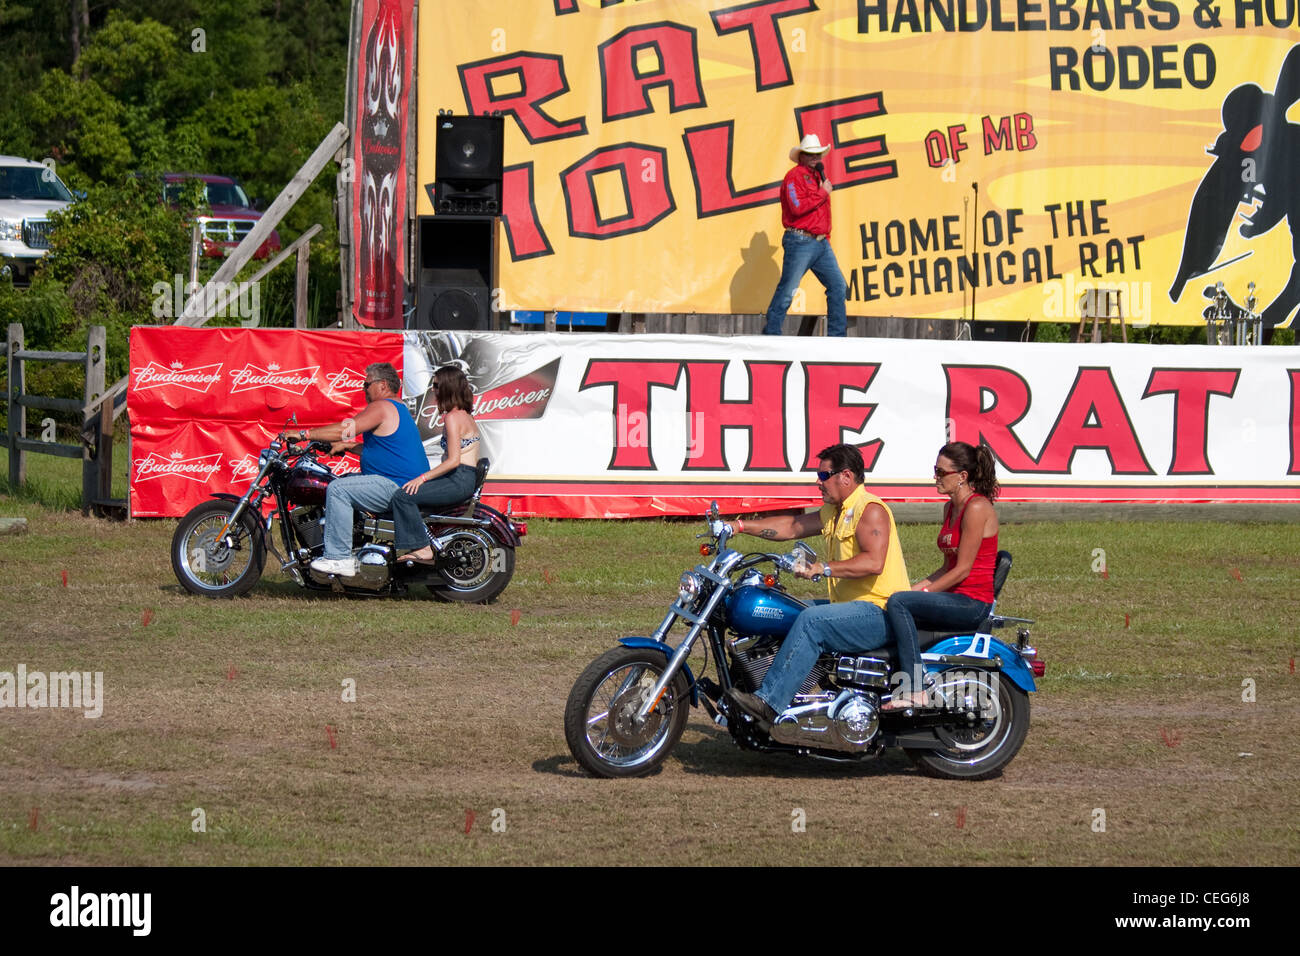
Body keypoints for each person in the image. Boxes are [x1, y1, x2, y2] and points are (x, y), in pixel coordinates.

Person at [725, 443, 910, 723]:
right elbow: (791, 527)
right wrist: (739, 526)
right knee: (787, 611)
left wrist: (823, 568)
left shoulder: (869, 509)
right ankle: (770, 691)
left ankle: (770, 702)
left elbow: (874, 562)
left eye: (824, 476)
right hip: (851, 607)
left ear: (845, 476)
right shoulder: (835, 512)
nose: (818, 482)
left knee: (811, 621)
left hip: (879, 611)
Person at [883, 441, 1000, 711]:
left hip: (972, 602)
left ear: (962, 476)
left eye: (941, 472)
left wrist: (918, 595)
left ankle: (915, 690)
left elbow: (963, 570)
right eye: (935, 470)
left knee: (900, 603)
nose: (935, 477)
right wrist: (911, 589)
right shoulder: (950, 509)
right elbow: (947, 567)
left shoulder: (977, 508)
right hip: (955, 596)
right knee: (896, 599)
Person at [301, 362, 428, 576]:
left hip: (395, 485)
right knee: (345, 479)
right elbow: (385, 450)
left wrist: (305, 434)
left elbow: (346, 429)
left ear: (382, 385)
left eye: (366, 384)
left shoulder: (382, 406)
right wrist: (350, 447)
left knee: (338, 489)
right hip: (400, 482)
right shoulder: (398, 407)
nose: (363, 389)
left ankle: (339, 558)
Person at [390, 365, 481, 562]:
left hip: (458, 479)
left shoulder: (452, 418)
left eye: (436, 385)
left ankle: (422, 548)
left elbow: (453, 460)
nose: (433, 389)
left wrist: (422, 478)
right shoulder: (465, 415)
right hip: (462, 478)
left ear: (448, 388)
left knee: (402, 496)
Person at [763, 133, 848, 337]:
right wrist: (823, 193)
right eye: (810, 155)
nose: (815, 158)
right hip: (800, 240)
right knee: (789, 289)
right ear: (801, 156)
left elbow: (820, 213)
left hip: (819, 242)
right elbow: (797, 207)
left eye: (818, 154)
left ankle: (838, 336)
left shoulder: (818, 177)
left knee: (838, 285)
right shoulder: (794, 177)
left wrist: (825, 237)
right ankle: (772, 331)